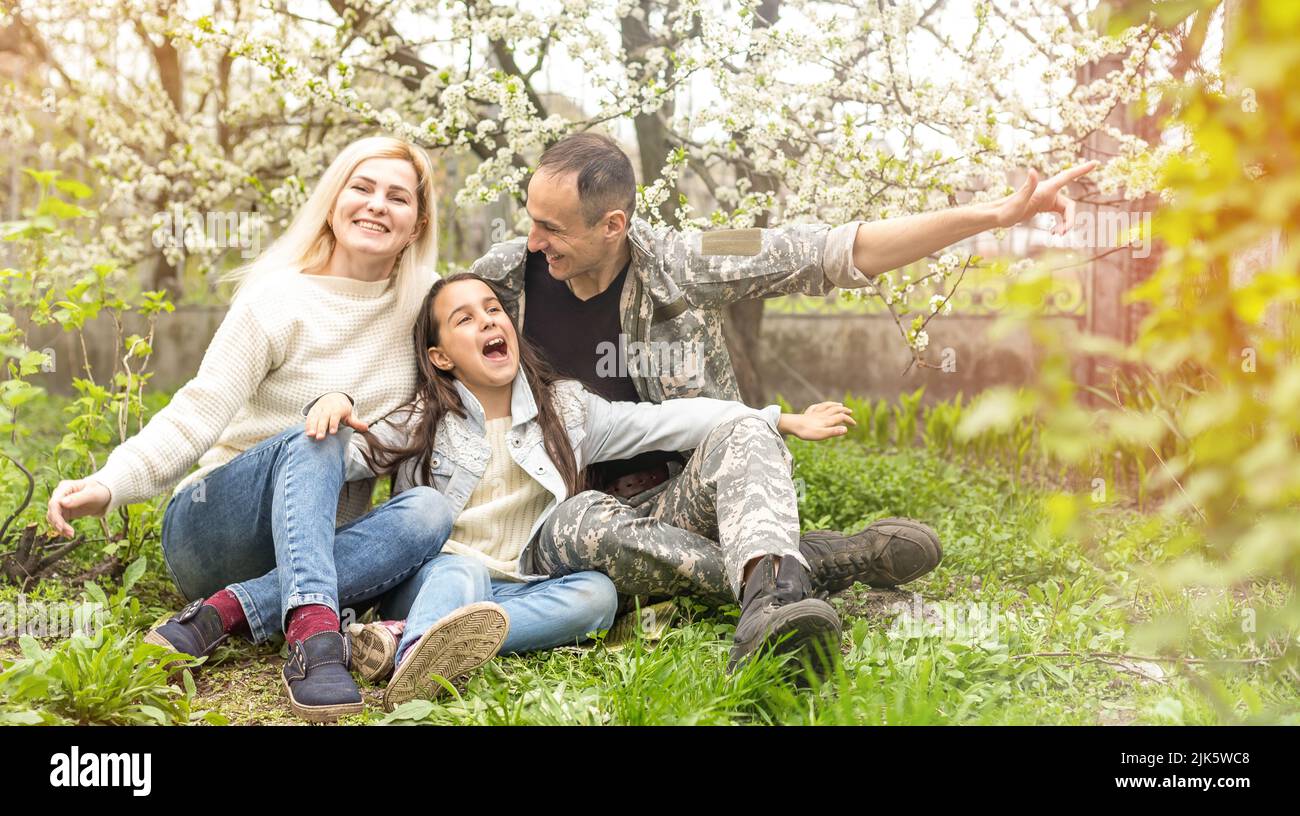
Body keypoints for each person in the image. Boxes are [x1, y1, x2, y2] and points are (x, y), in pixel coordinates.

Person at [470, 132, 1059, 601]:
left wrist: (992, 216)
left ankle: (767, 583)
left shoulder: (687, 261)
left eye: (551, 228)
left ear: (612, 225)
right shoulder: (503, 281)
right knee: (581, 525)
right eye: (531, 219)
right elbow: (435, 332)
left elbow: (831, 251)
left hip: (690, 501)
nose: (533, 240)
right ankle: (795, 569)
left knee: (746, 428)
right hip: (577, 522)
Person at [44, 135, 446, 722]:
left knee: (430, 510)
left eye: (398, 197)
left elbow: (437, 401)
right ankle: (314, 640)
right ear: (333, 202)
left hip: (316, 547)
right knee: (320, 431)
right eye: (361, 188)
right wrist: (109, 484)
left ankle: (226, 613)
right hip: (216, 529)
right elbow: (197, 410)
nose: (376, 205)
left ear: (417, 223)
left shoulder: (424, 304)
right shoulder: (277, 299)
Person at [320, 272, 856, 708]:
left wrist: (777, 418)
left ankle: (425, 642)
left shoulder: (566, 408)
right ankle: (418, 651)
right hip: (441, 577)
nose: (487, 320)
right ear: (441, 357)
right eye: (464, 318)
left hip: (526, 582)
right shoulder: (419, 419)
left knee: (596, 596)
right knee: (463, 572)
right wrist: (332, 404)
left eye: (493, 309)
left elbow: (664, 422)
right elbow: (341, 460)